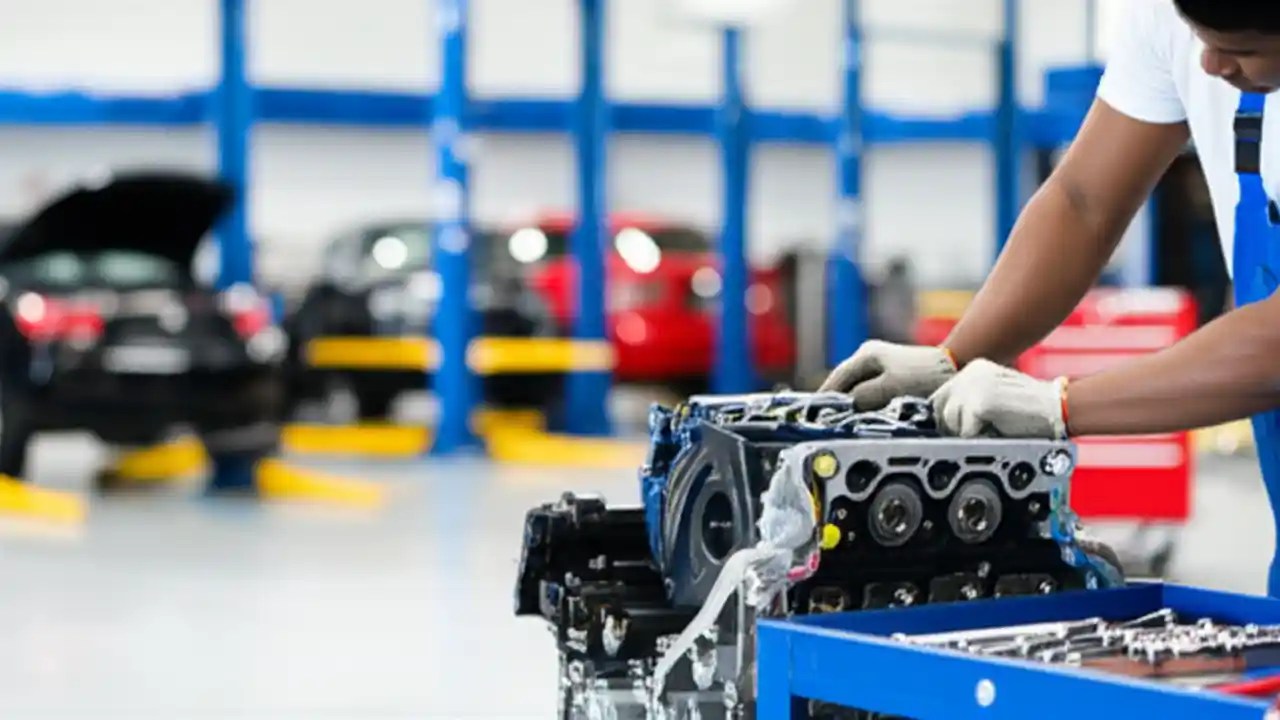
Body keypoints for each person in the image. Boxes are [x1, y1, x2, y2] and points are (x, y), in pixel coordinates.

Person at [820, 1, 1280, 591]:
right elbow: (1084, 201)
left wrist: (1058, 406)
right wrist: (953, 359)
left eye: (1240, 49)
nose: (1210, 64)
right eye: (1199, 38)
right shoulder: (1164, 16)